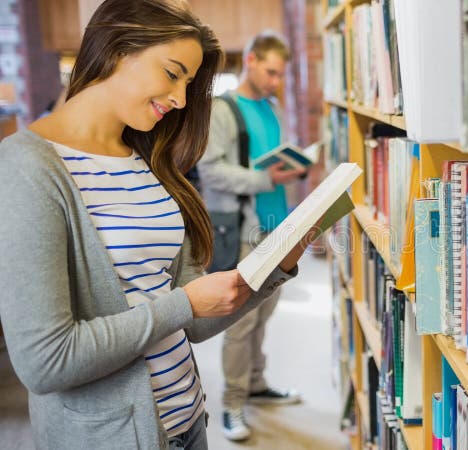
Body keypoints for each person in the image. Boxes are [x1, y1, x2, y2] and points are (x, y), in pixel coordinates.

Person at [0, 1, 312, 449]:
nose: (181, 99)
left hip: (188, 423)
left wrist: (274, 269)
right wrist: (182, 304)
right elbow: (47, 360)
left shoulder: (148, 161)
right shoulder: (28, 167)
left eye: (188, 82)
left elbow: (192, 321)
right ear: (118, 49)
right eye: (172, 74)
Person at [196, 30, 306, 442]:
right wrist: (266, 177)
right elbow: (211, 171)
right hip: (244, 230)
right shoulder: (223, 110)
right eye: (272, 72)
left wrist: (290, 170)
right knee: (240, 322)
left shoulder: (270, 107)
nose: (276, 82)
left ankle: (256, 385)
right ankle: (232, 404)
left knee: (263, 315)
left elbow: (268, 161)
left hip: (276, 226)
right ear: (253, 60)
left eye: (281, 75)